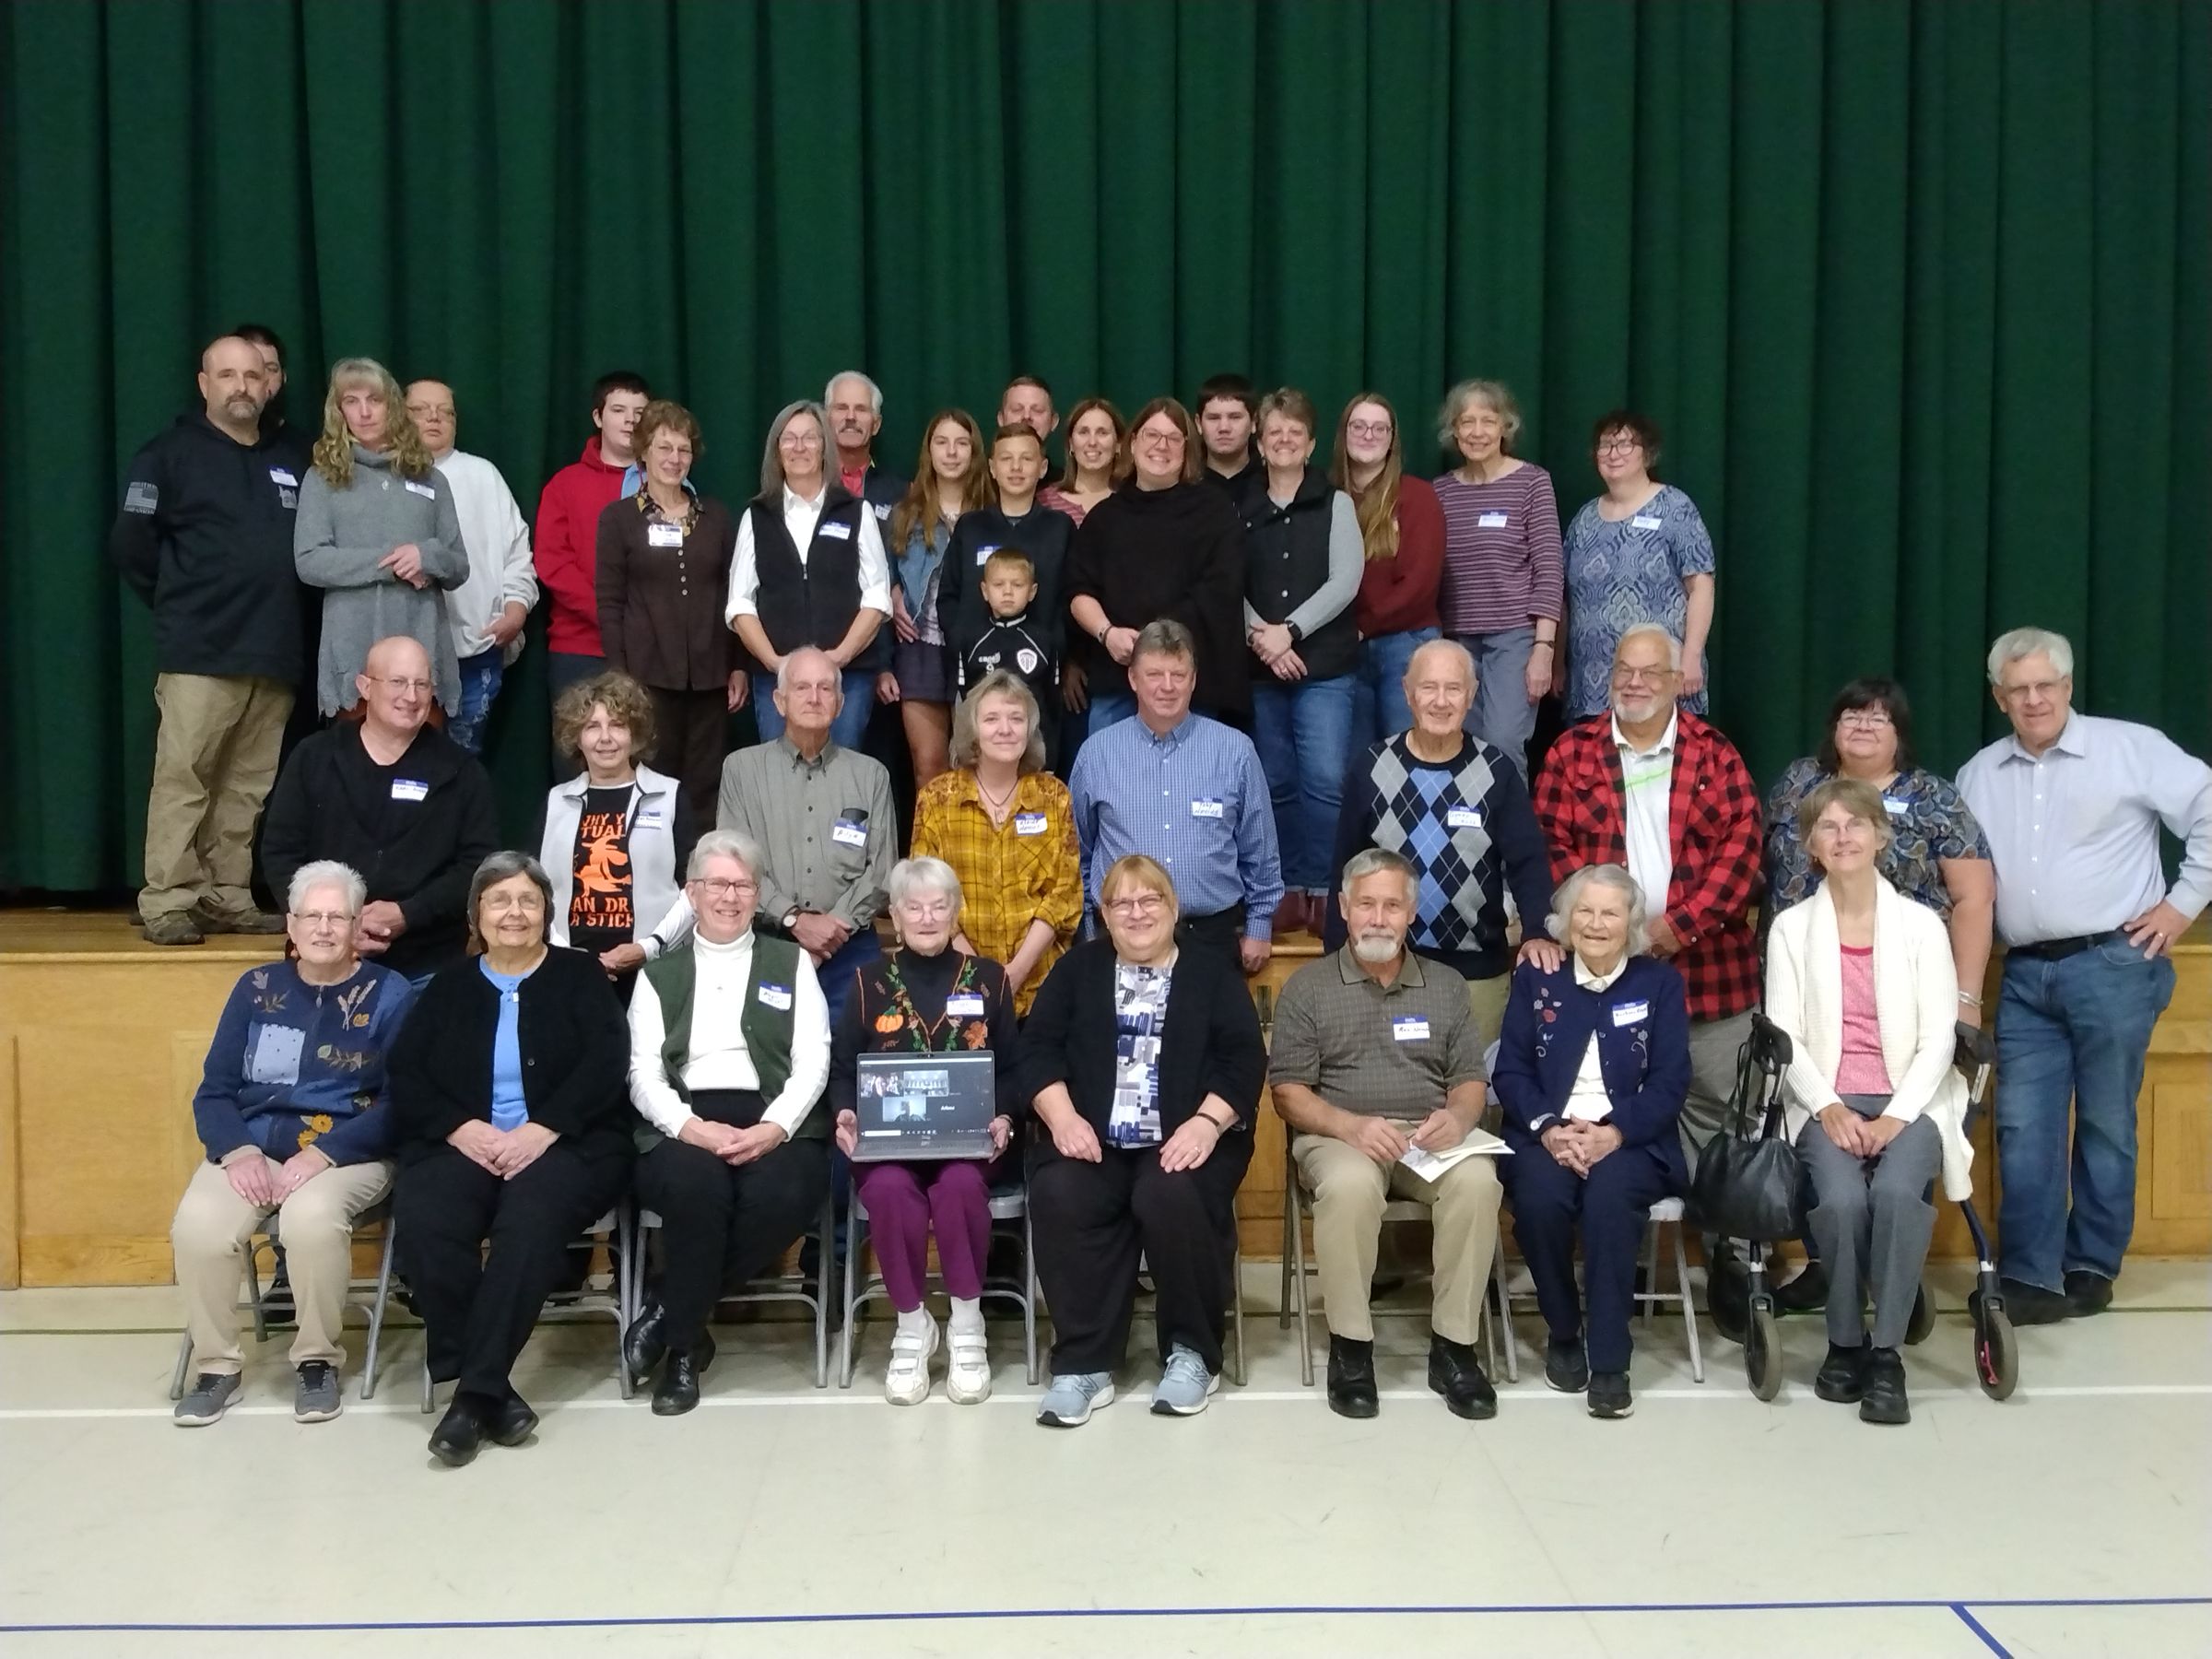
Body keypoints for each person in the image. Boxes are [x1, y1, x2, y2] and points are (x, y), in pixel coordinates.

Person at [1958, 627, 2209, 1324]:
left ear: (2067, 688)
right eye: (2019, 689)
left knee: (2104, 1123)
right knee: (2022, 1125)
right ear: (1999, 698)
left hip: (2115, 965)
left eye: (2046, 685)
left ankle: (2091, 1265)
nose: (2034, 699)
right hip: (2025, 975)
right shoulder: (1978, 774)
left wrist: (2182, 906)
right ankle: (2032, 1275)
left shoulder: (2132, 749)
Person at [1531, 623, 1763, 1331]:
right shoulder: (1572, 754)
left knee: (1725, 1129)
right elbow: (1552, 847)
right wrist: (1611, 930)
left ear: (1676, 680)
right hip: (1605, 981)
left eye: (1650, 673)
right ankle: (1618, 1255)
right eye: (1623, 672)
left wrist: (1672, 928)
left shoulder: (1714, 752)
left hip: (1711, 982)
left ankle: (1730, 1260)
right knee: (1613, 1117)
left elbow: (1743, 854)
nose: (1635, 683)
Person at [387, 852, 633, 1465]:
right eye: (499, 900)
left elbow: (606, 1066)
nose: (514, 913)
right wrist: (459, 1127)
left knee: (529, 1221)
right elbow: (408, 1075)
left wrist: (544, 1127)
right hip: (466, 1143)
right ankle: (490, 1388)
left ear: (547, 911)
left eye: (527, 900)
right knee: (426, 1216)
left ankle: (471, 1394)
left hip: (568, 1144)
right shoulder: (448, 986)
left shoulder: (579, 977)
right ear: (477, 914)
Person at [1018, 854, 1265, 1425]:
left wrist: (1207, 1124)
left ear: (1173, 908)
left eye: (1150, 899)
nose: (1137, 913)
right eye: (1121, 903)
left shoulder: (1211, 973)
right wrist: (1061, 1119)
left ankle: (1191, 1354)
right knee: (1062, 1193)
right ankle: (1084, 1363)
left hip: (1188, 1137)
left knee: (1169, 1194)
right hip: (1091, 1138)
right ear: (1103, 914)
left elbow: (1243, 1058)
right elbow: (1036, 1052)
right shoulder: (1076, 971)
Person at [169, 861, 415, 1426]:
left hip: (348, 1150)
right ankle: (216, 1368)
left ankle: (317, 1362)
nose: (324, 927)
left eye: (338, 917)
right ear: (291, 924)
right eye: (312, 916)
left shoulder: (390, 993)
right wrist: (240, 1152)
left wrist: (322, 1154)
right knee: (199, 1226)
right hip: (253, 1147)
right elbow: (214, 1093)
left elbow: (403, 1103)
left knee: (309, 1221)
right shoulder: (256, 989)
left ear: (358, 926)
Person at [1765, 780, 1976, 1425]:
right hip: (1823, 1098)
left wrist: (1896, 1116)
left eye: (1856, 825)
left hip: (1909, 1099)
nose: (1843, 837)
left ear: (1880, 836)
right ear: (1810, 846)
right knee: (1840, 1200)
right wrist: (1828, 1106)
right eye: (1827, 828)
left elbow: (1941, 1036)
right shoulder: (1790, 927)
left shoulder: (1919, 926)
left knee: (1893, 1196)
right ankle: (1843, 1343)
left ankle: (1886, 1355)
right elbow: (1784, 1034)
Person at [1270, 850, 1503, 1421]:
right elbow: (1288, 1093)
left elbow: (1471, 1079)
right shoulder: (1308, 986)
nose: (1379, 917)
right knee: (1350, 1188)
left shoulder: (1445, 986)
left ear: (1411, 913)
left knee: (1479, 1180)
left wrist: (1459, 1117)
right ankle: (1351, 1350)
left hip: (1427, 1135)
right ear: (1345, 909)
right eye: (1367, 904)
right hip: (1340, 1135)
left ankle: (1454, 1348)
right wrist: (1350, 1125)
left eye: (1392, 905)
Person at [622, 831, 832, 1415]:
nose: (730, 897)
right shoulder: (657, 974)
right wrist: (691, 1128)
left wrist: (776, 1127)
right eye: (717, 884)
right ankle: (685, 1352)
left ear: (757, 894)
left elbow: (814, 1060)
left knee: (785, 1192)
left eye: (742, 885)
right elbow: (641, 1075)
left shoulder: (790, 962)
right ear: (692, 891)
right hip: (683, 1120)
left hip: (773, 1115)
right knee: (697, 1190)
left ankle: (667, 1312)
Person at [110, 334, 305, 944]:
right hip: (200, 648)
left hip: (274, 649)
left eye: (252, 375)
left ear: (268, 383)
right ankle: (168, 900)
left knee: (247, 787)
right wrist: (179, 602)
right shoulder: (168, 454)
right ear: (204, 384)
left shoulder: (295, 454)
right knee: (184, 778)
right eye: (227, 375)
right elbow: (131, 547)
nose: (241, 386)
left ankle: (226, 894)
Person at [1492, 864, 1690, 1420]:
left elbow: (1672, 1080)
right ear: (1565, 919)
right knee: (1537, 1200)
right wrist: (1550, 1129)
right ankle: (1562, 1329)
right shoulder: (1537, 978)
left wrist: (1614, 1132)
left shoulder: (1659, 983)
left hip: (1629, 1139)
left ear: (1630, 922)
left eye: (1610, 912)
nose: (1597, 923)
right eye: (1585, 910)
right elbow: (1510, 1072)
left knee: (1608, 1203)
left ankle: (1609, 1360)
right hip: (1547, 1133)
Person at [829, 857, 1022, 1404]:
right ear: (895, 914)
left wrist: (1005, 1115)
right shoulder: (868, 983)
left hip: (971, 1141)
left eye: (940, 905)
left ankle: (967, 1325)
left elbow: (1014, 1069)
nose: (927, 916)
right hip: (889, 1144)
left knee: (959, 1187)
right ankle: (912, 1326)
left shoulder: (990, 979)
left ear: (956, 912)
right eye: (914, 906)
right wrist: (845, 1113)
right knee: (889, 1190)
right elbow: (845, 1068)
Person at [1328, 638, 1560, 1056]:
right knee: (1390, 1092)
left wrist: (1538, 931)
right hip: (1385, 968)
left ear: (1471, 696)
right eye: (1428, 688)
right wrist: (1334, 960)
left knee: (1476, 1099)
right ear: (1407, 692)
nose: (1440, 701)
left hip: (1476, 975)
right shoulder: (1372, 767)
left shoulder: (1496, 771)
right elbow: (1345, 867)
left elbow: (1527, 863)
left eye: (1453, 689)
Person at [262, 636, 500, 985]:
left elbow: (478, 865)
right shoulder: (314, 758)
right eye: (398, 682)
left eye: (421, 684)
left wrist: (408, 914)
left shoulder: (461, 772)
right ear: (365, 687)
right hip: (323, 959)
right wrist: (337, 923)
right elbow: (281, 853)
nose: (411, 696)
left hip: (429, 967)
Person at [1068, 621, 1283, 976]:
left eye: (1178, 675)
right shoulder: (1097, 754)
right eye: (1154, 674)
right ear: (1133, 679)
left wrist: (1260, 925)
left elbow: (1259, 849)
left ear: (1194, 680)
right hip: (1122, 936)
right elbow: (1077, 854)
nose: (1167, 687)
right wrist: (1090, 932)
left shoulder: (1235, 751)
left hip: (1211, 937)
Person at [714, 648, 898, 1028]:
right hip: (768, 942)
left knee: (853, 1058)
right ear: (779, 701)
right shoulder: (742, 770)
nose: (814, 697)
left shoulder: (871, 775)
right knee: (769, 1057)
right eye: (801, 688)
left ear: (841, 702)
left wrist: (831, 930)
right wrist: (795, 920)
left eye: (825, 688)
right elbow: (733, 863)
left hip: (849, 946)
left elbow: (882, 870)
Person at [1765, 677, 1994, 978]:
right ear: (1835, 728)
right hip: (1797, 968)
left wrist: (1966, 997)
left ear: (1899, 734)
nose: (1863, 726)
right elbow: (1760, 862)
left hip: (1902, 975)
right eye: (1851, 717)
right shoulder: (1798, 781)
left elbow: (1974, 898)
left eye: (1878, 719)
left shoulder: (1934, 797)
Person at [1241, 388, 1364, 936]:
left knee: (1324, 779)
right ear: (1260, 443)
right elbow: (1227, 582)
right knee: (1274, 780)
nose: (1284, 439)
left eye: (1295, 431)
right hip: (1257, 664)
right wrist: (1262, 638)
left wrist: (1289, 633)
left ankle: (1323, 888)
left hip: (1325, 666)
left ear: (1311, 443)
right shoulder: (1238, 505)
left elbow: (1346, 580)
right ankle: (1285, 888)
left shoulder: (1337, 502)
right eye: (1274, 432)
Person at [594, 399, 743, 836]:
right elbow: (609, 601)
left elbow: (734, 595)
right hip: (647, 675)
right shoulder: (618, 519)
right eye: (664, 448)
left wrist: (737, 665)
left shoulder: (716, 518)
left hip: (711, 676)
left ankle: (699, 878)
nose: (674, 459)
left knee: (705, 782)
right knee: (651, 778)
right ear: (644, 451)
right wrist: (619, 676)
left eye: (683, 450)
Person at [294, 358, 468, 717]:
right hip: (354, 650)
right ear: (338, 411)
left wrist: (426, 556)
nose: (364, 412)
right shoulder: (323, 478)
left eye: (374, 400)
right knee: (357, 765)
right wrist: (392, 561)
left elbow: (458, 565)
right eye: (351, 402)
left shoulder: (431, 479)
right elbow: (310, 561)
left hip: (423, 649)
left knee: (423, 766)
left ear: (392, 405)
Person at [1065, 398, 1249, 731]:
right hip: (1117, 681)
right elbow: (1079, 590)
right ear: (1132, 444)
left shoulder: (1215, 512)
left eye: (1173, 438)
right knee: (1113, 782)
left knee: (1191, 783)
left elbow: (1221, 590)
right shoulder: (1104, 518)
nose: (1161, 446)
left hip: (1190, 686)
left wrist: (1154, 646)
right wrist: (1108, 634)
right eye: (1151, 435)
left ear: (1186, 449)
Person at [911, 672, 1083, 1015]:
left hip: (1041, 986)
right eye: (991, 719)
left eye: (1016, 718)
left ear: (1029, 729)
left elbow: (1064, 894)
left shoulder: (1053, 797)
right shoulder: (937, 799)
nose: (1005, 729)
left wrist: (1015, 972)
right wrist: (980, 975)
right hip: (958, 986)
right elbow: (924, 891)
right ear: (972, 730)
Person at [724, 400, 892, 750]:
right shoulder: (756, 516)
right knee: (781, 778)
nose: (799, 448)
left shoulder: (856, 512)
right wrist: (777, 664)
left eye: (810, 439)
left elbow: (877, 597)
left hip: (847, 676)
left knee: (842, 774)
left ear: (825, 448)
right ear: (776, 449)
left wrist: (837, 659)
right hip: (776, 678)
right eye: (789, 439)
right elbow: (740, 604)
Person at [538, 672, 696, 999]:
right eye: (592, 727)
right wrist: (565, 954)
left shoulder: (670, 796)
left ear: (635, 734)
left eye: (617, 725)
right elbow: (535, 889)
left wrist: (647, 948)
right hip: (569, 971)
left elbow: (693, 889)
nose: (605, 738)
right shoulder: (555, 801)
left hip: (655, 970)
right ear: (577, 737)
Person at [1433, 379, 1562, 775]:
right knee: (1457, 746)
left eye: (1487, 421)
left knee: (1503, 744)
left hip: (1514, 638)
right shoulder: (1440, 492)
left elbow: (1550, 567)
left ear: (1506, 427)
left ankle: (1509, 838)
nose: (1476, 432)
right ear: (1453, 431)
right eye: (1466, 422)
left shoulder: (1532, 483)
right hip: (1456, 640)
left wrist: (1544, 647)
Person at [404, 379, 537, 754]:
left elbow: (517, 551)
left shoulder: (484, 475)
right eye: (421, 410)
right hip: (404, 652)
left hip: (477, 647)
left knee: (462, 759)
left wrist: (516, 610)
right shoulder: (385, 478)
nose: (435, 418)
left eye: (445, 411)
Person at [1561, 411, 1716, 721]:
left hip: (1658, 680)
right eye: (1605, 445)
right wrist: (1557, 666)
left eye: (1625, 444)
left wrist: (1691, 656)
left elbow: (1701, 585)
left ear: (1648, 453)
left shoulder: (1675, 507)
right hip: (1592, 684)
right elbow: (1565, 599)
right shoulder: (1584, 520)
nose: (1613, 454)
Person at [535, 371, 653, 727]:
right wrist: (610, 616)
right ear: (598, 417)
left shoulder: (666, 485)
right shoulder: (565, 485)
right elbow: (553, 563)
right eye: (619, 410)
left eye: (640, 412)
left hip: (649, 651)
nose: (631, 420)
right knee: (578, 757)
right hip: (580, 650)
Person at [881, 409, 990, 790]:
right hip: (920, 649)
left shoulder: (991, 513)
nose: (952, 452)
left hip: (978, 650)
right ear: (929, 451)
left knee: (975, 769)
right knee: (929, 769)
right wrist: (893, 594)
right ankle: (928, 853)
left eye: (962, 443)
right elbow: (883, 574)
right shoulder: (905, 514)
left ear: (975, 452)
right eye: (942, 443)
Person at [1330, 391, 1445, 748]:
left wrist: (1364, 626)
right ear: (1343, 434)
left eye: (1380, 429)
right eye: (1359, 426)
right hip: (1343, 651)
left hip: (1406, 644)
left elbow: (1420, 585)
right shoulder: (1325, 495)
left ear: (1392, 439)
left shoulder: (1416, 496)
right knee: (1359, 766)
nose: (1368, 435)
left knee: (1410, 753)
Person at [941, 425, 1074, 721]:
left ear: (1042, 468)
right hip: (977, 681)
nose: (1016, 468)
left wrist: (1058, 653)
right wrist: (964, 644)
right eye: (1006, 459)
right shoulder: (971, 527)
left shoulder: (1059, 528)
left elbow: (1071, 599)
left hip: (1038, 682)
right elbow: (948, 596)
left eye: (1026, 459)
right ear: (992, 467)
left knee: (1037, 764)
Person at [958, 549, 1057, 713]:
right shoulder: (971, 641)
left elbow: (1052, 699)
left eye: (1017, 585)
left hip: (1032, 734)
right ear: (985, 590)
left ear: (1032, 592)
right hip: (985, 733)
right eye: (998, 584)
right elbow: (965, 694)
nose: (1008, 592)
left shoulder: (1044, 642)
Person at [825, 370, 909, 527]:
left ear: (876, 425)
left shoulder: (901, 493)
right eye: (842, 408)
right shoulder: (809, 484)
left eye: (861, 409)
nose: (851, 417)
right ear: (826, 419)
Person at [1038, 395, 1126, 526]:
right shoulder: (1043, 502)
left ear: (1118, 444)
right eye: (1084, 432)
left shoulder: (1132, 502)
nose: (1092, 442)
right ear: (1071, 444)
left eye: (1102, 433)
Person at [1195, 372, 1259, 496]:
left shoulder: (1272, 482)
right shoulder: (1183, 484)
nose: (1224, 428)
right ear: (1198, 424)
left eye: (1235, 417)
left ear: (1253, 423)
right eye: (1214, 418)